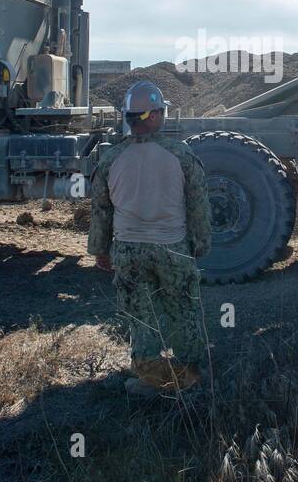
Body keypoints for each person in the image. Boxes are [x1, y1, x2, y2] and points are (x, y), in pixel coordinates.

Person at [88, 80, 212, 398]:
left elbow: (101, 210)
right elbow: (198, 203)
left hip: (128, 252)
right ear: (153, 116)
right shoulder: (181, 155)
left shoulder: (110, 159)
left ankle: (149, 379)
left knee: (141, 314)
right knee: (182, 309)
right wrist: (201, 242)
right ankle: (190, 376)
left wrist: (100, 251)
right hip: (173, 248)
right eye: (162, 111)